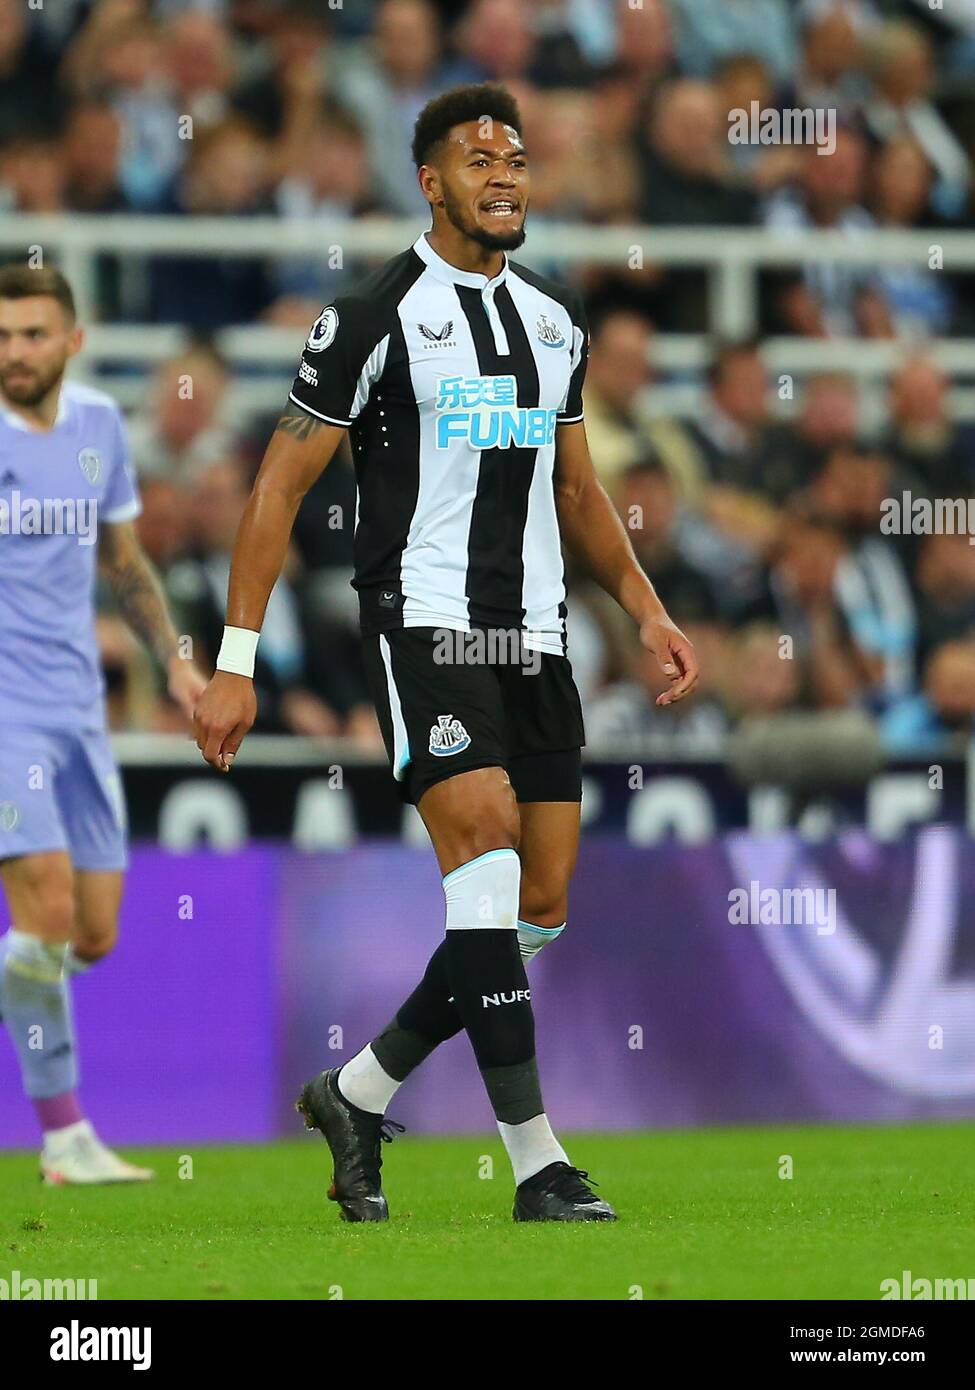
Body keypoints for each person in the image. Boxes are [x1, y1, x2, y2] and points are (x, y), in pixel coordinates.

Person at [193, 82, 698, 1225]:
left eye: (516, 157)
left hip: (538, 638)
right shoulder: (372, 318)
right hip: (426, 625)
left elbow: (578, 487)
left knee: (536, 905)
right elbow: (278, 484)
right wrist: (235, 657)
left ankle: (355, 1092)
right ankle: (539, 1164)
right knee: (483, 862)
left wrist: (649, 607)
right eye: (479, 159)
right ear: (430, 181)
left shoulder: (555, 323)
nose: (504, 173)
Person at [0, 264, 206, 1182]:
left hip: (79, 710)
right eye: (2, 337)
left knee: (90, 935)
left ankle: (29, 1012)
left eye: (33, 335)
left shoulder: (98, 427)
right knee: (40, 917)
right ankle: (65, 1137)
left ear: (73, 341)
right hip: (7, 716)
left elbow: (122, 563)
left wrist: (174, 661)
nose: (14, 353)